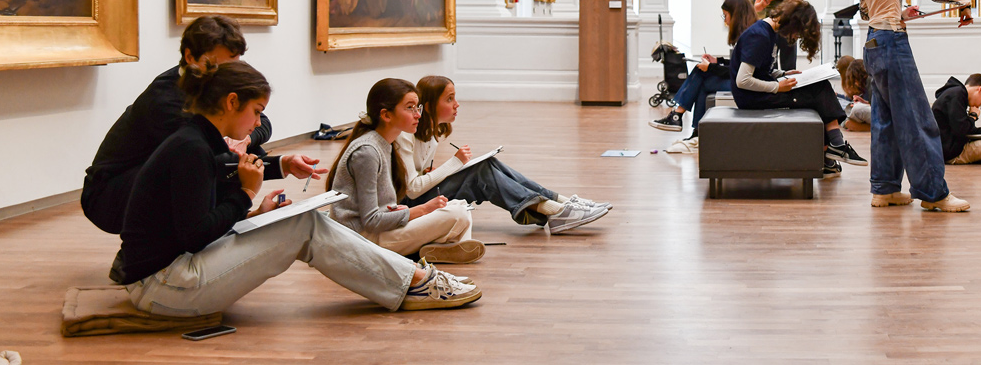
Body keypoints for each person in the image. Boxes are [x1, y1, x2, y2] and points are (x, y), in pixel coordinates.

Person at [117, 60, 480, 314]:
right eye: (257, 111)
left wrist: (256, 212)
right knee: (304, 224)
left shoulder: (199, 141)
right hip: (164, 287)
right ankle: (414, 281)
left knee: (300, 219)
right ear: (231, 102)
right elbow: (194, 235)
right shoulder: (191, 148)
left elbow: (194, 221)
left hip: (171, 275)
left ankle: (411, 278)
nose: (259, 122)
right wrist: (245, 195)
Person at [83, 16, 322, 238]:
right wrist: (257, 181)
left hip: (147, 178)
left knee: (239, 154)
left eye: (234, 66)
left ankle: (225, 228)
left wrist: (249, 142)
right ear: (190, 57)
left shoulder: (214, 85)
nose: (230, 75)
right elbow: (212, 163)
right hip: (111, 194)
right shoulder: (166, 100)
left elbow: (263, 123)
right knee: (214, 166)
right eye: (221, 67)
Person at [856, 0, 973, 213]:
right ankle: (934, 193)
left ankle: (885, 188)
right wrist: (962, 0)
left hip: (873, 42)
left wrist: (899, 11)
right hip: (892, 43)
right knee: (919, 121)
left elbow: (867, 7)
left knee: (886, 120)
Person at [399, 76, 611, 234]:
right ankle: (557, 210)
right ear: (428, 106)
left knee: (488, 164)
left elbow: (415, 175)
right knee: (480, 172)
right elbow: (413, 190)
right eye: (450, 99)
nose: (457, 104)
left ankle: (561, 203)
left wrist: (429, 172)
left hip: (417, 198)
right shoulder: (407, 135)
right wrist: (454, 163)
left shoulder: (432, 133)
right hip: (410, 207)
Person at [329, 79, 484, 265]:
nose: (418, 115)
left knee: (460, 205)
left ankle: (446, 249)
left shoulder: (383, 144)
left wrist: (397, 210)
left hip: (378, 232)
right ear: (386, 115)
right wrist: (422, 210)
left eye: (417, 107)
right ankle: (445, 246)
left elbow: (378, 208)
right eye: (410, 108)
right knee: (456, 213)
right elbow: (371, 221)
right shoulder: (367, 152)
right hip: (361, 240)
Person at [729, 0, 863, 177]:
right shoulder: (760, 36)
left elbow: (761, 70)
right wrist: (777, 87)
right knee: (819, 89)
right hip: (752, 99)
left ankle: (829, 158)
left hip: (760, 93)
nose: (795, 37)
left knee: (817, 87)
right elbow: (743, 80)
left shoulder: (769, 33)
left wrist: (782, 73)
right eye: (798, 33)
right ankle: (835, 146)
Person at [651, 0, 755, 140]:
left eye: (725, 15)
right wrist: (716, 61)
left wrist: (711, 68)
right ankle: (692, 128)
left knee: (702, 76)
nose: (725, 20)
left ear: (735, 15)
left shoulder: (749, 37)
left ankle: (681, 117)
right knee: (702, 79)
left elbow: (738, 71)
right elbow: (738, 65)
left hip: (746, 85)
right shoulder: (749, 34)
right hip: (741, 81)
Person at [835, 55, 871, 131]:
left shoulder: (869, 83)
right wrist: (863, 102)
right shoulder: (866, 84)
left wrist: (864, 103)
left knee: (856, 109)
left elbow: (878, 106)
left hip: (880, 114)